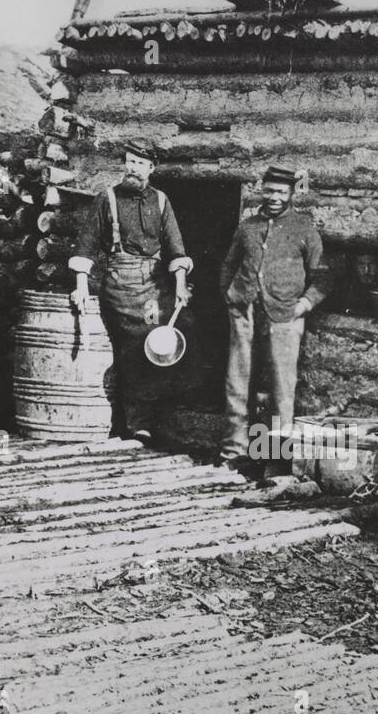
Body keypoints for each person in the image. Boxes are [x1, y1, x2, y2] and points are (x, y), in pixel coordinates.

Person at [67, 139, 193, 442]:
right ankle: (131, 424)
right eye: (129, 162)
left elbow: (176, 248)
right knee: (132, 347)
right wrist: (81, 286)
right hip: (119, 284)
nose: (133, 168)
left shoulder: (161, 201)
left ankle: (147, 420)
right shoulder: (106, 199)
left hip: (153, 287)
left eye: (139, 163)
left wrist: (179, 286)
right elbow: (86, 245)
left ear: (151, 168)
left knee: (157, 346)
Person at [218, 165, 327, 471]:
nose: (274, 197)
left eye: (281, 192)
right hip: (245, 311)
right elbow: (229, 264)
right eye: (269, 191)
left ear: (292, 194)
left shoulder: (304, 229)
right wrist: (230, 296)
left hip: (285, 315)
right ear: (261, 191)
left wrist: (303, 305)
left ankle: (276, 461)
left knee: (282, 389)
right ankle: (234, 454)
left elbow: (322, 278)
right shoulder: (248, 227)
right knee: (238, 384)